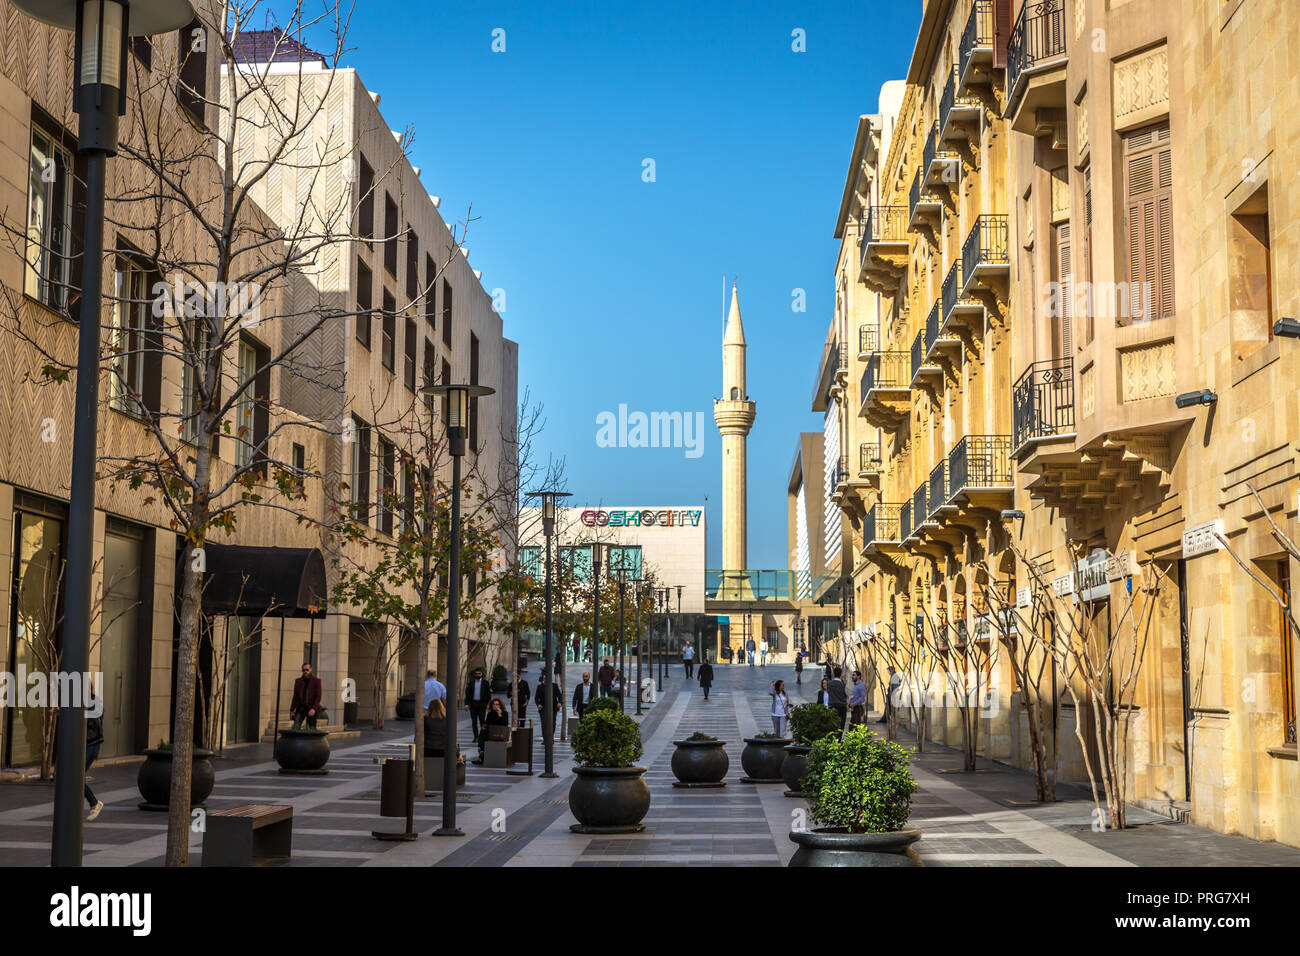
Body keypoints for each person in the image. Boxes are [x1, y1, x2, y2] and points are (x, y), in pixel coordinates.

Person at [84, 691, 104, 821]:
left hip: (92, 744)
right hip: (85, 744)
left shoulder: (92, 701)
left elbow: (93, 722)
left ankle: (94, 803)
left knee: (76, 777)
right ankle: (93, 803)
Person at [473, 697, 510, 764]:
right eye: (494, 704)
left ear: (500, 705)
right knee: (483, 731)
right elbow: (488, 723)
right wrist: (484, 726)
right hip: (491, 733)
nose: (495, 706)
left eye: (497, 704)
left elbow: (505, 723)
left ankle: (481, 754)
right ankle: (481, 750)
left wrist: (499, 715)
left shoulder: (504, 713)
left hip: (500, 734)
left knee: (484, 733)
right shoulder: (490, 713)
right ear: (492, 706)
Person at [290, 662, 322, 729]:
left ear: (311, 670)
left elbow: (318, 696)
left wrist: (314, 708)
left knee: (312, 728)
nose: (305, 671)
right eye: (303, 670)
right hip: (301, 707)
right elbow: (295, 696)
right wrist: (292, 710)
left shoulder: (316, 681)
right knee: (296, 726)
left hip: (311, 708)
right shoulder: (298, 681)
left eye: (307, 670)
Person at [465, 667, 491, 739]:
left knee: (482, 721)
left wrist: (487, 704)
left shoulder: (485, 683)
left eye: (479, 673)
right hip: (473, 705)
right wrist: (466, 704)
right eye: (476, 674)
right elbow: (468, 694)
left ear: (481, 674)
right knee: (474, 722)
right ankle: (476, 737)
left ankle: (483, 736)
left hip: (482, 705)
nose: (477, 675)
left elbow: (488, 695)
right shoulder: (471, 683)